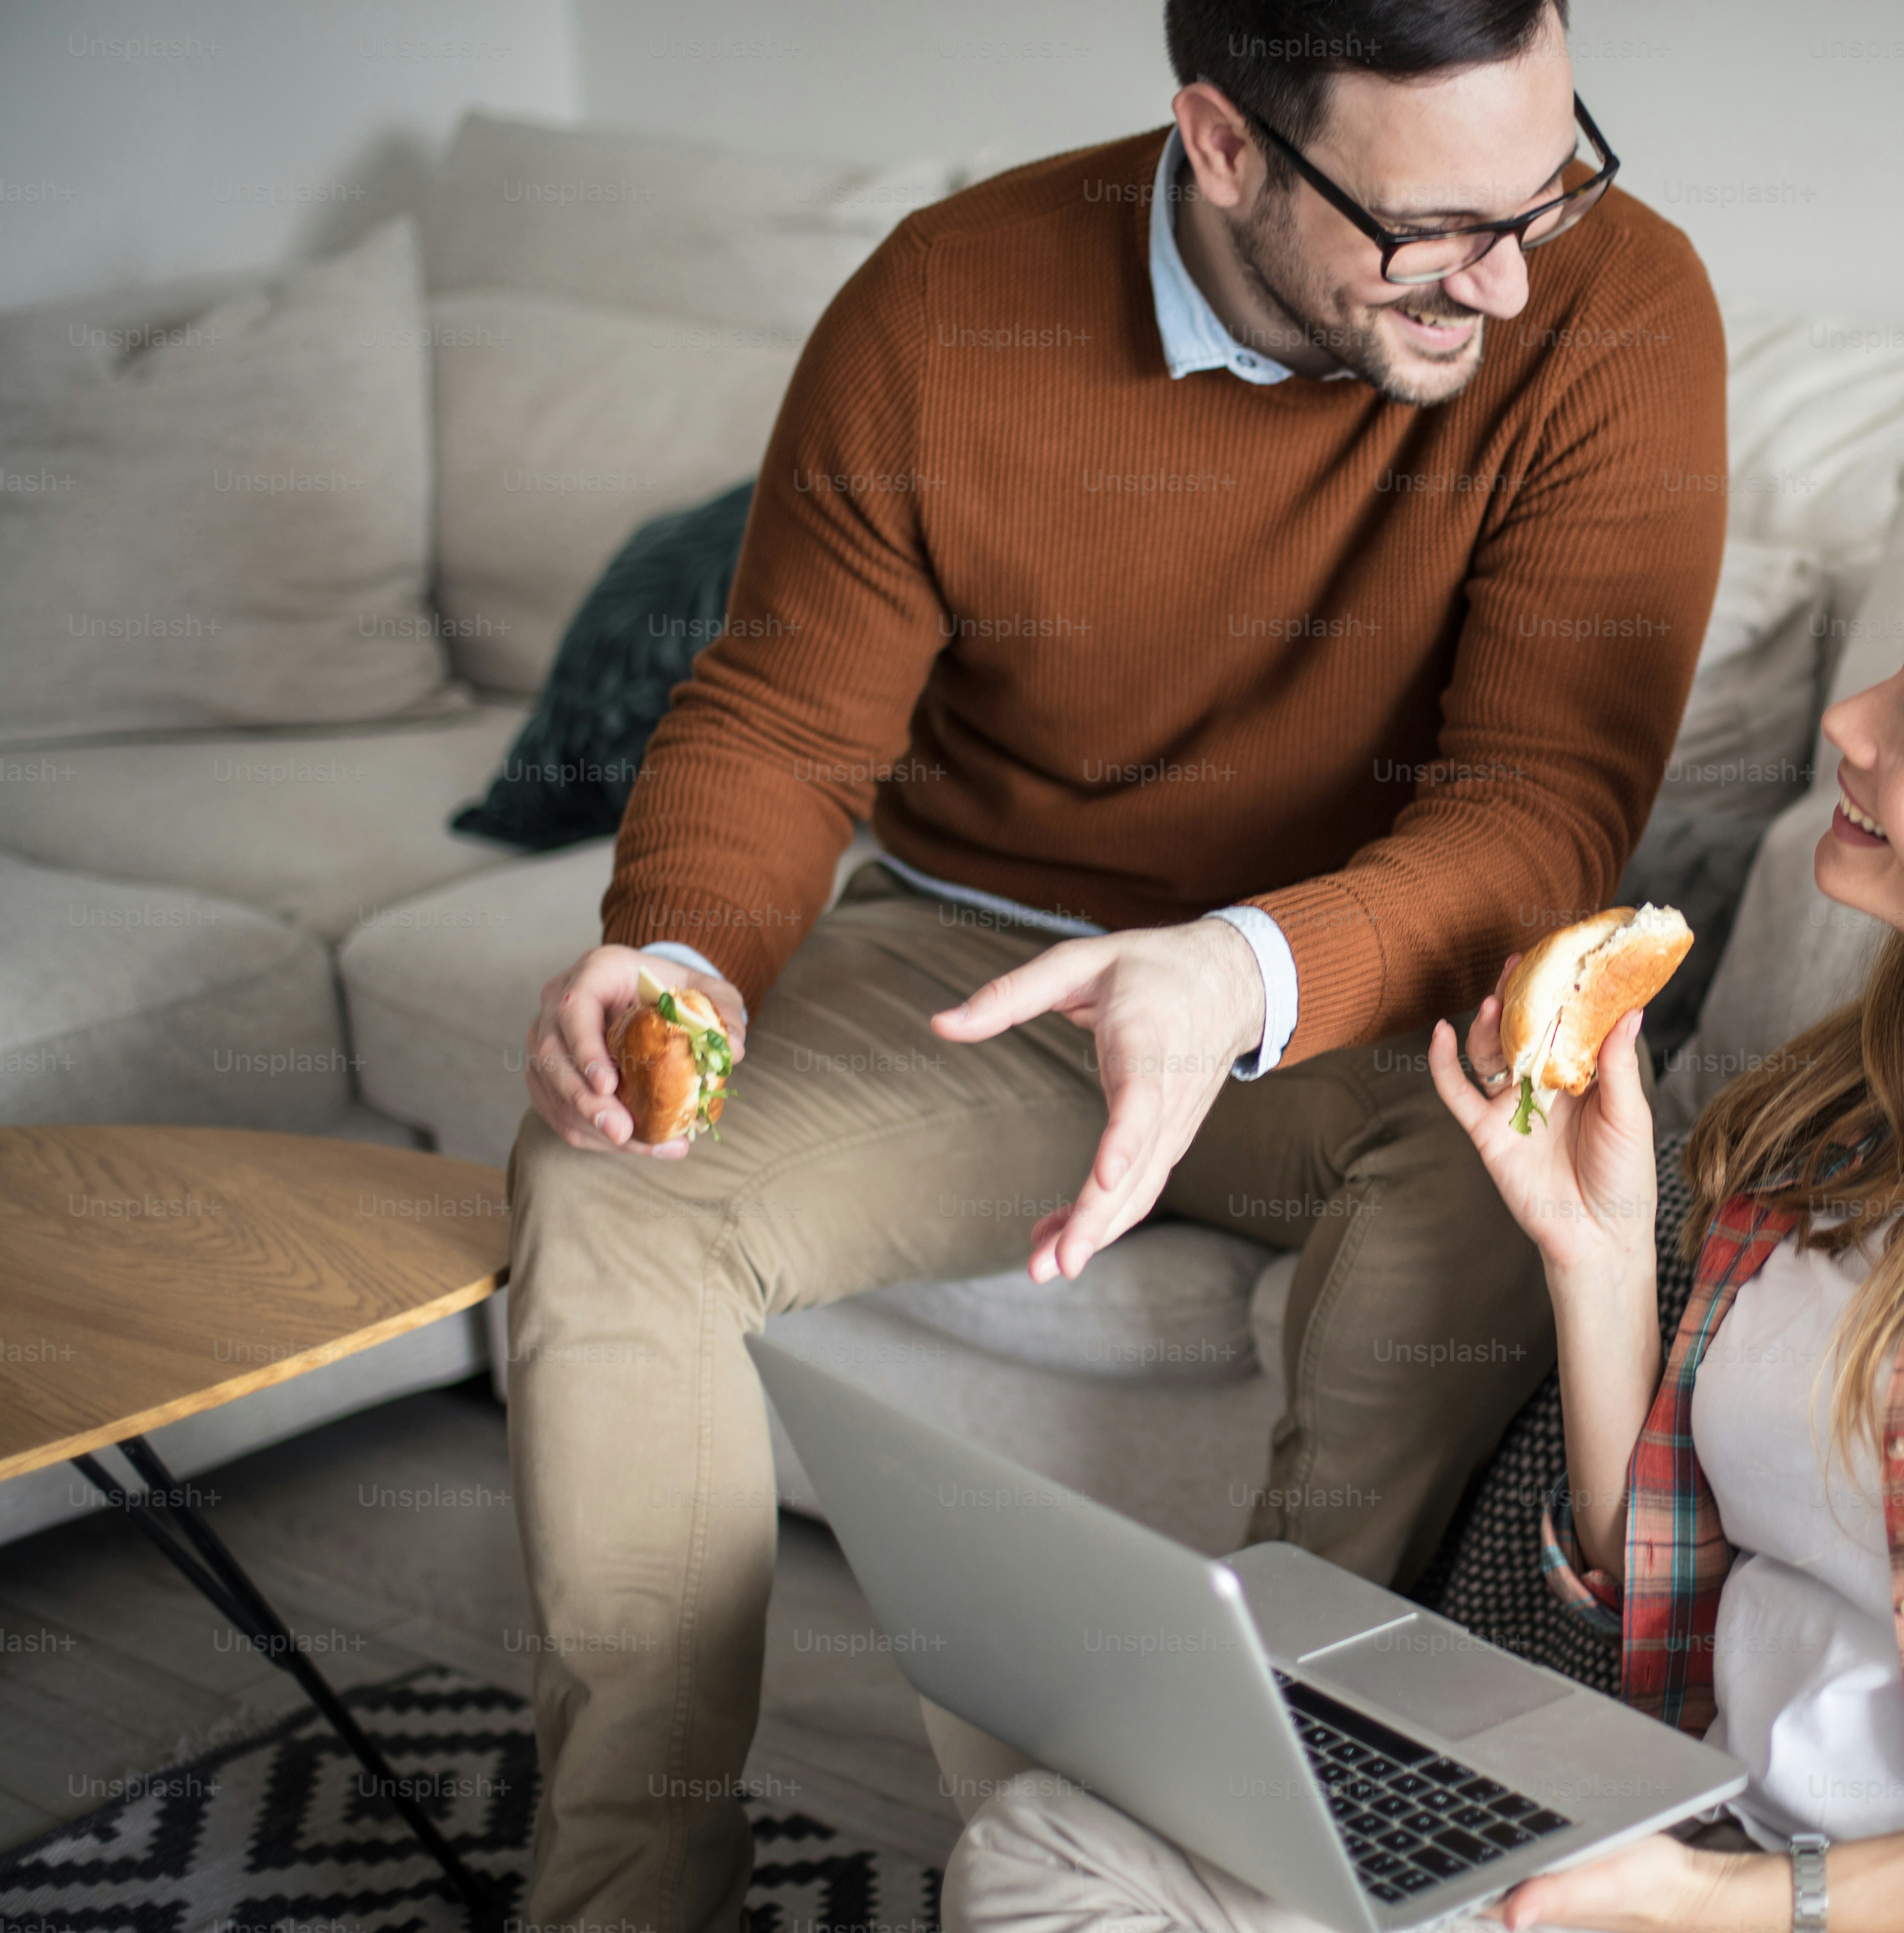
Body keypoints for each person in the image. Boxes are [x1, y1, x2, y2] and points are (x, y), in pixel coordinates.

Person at [498, 0, 1728, 1925]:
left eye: (1547, 187)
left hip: (1353, 993)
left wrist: (1240, 971)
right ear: (1223, 144)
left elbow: (1539, 805)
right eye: (1431, 229)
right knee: (603, 1186)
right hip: (980, 961)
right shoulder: (942, 305)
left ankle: (1242, 1853)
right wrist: (679, 947)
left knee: (1514, 1169)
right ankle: (627, 1898)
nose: (1500, 282)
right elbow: (785, 716)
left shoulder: (1614, 305)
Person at [938, 508, 1904, 1933]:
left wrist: (1723, 1904)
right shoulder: (1864, 1102)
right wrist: (1595, 1257)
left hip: (1846, 1904)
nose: (1847, 725)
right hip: (1711, 1850)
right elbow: (1669, 1612)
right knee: (1046, 1832)